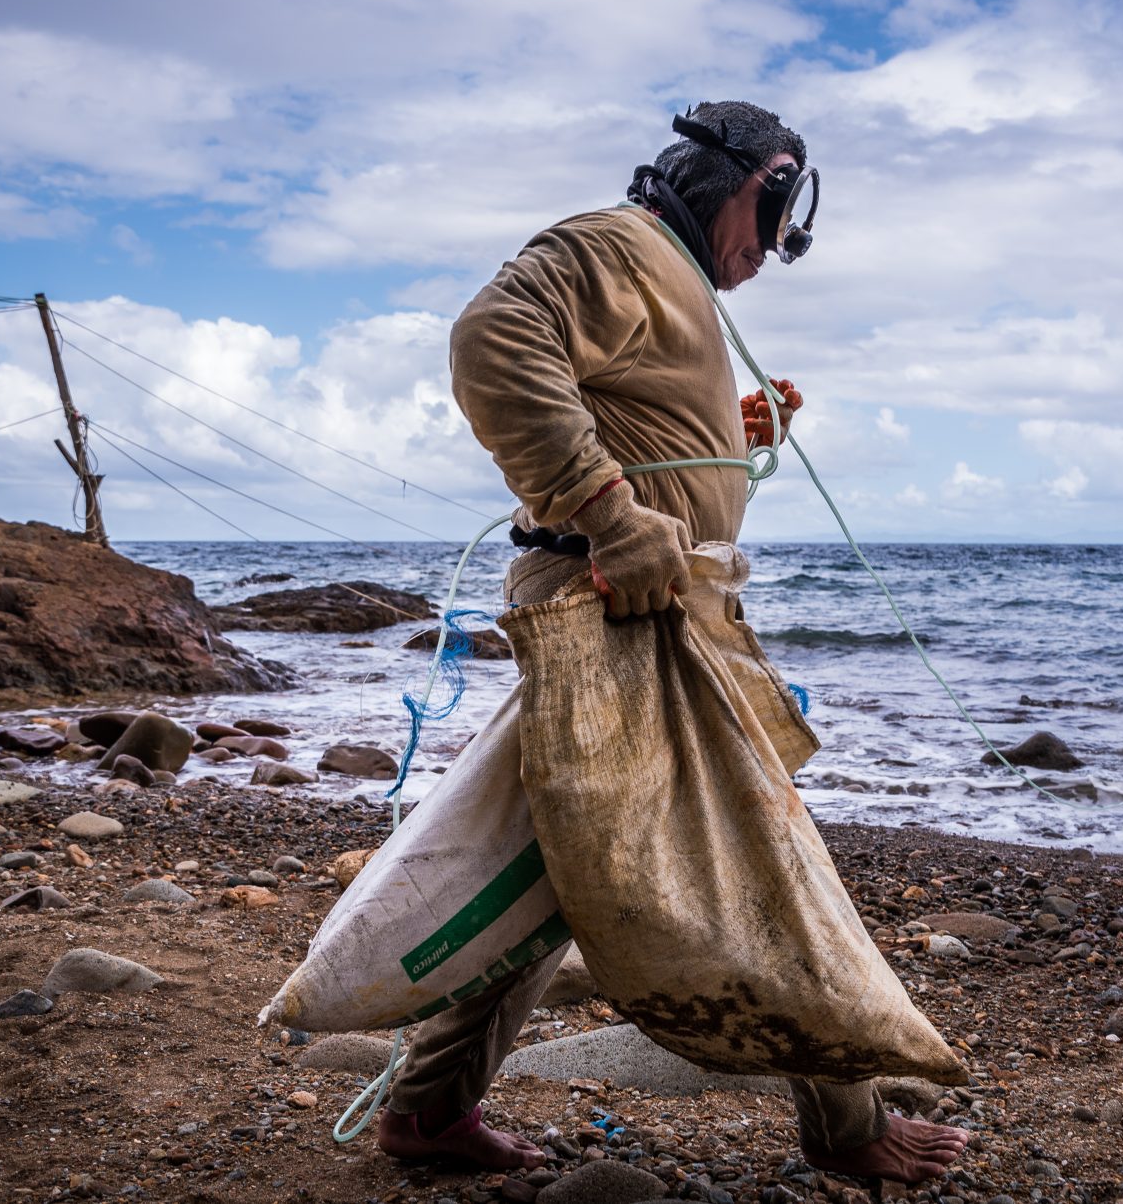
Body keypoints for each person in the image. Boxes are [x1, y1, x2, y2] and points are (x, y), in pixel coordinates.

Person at [374, 101, 969, 1185]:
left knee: (557, 865)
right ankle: (849, 1126)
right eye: (775, 220)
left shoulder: (668, 273)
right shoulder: (619, 244)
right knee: (759, 843)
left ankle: (427, 1111)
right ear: (756, 183)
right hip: (615, 609)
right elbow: (493, 339)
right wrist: (606, 507)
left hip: (647, 610)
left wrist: (719, 435)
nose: (773, 251)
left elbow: (619, 405)